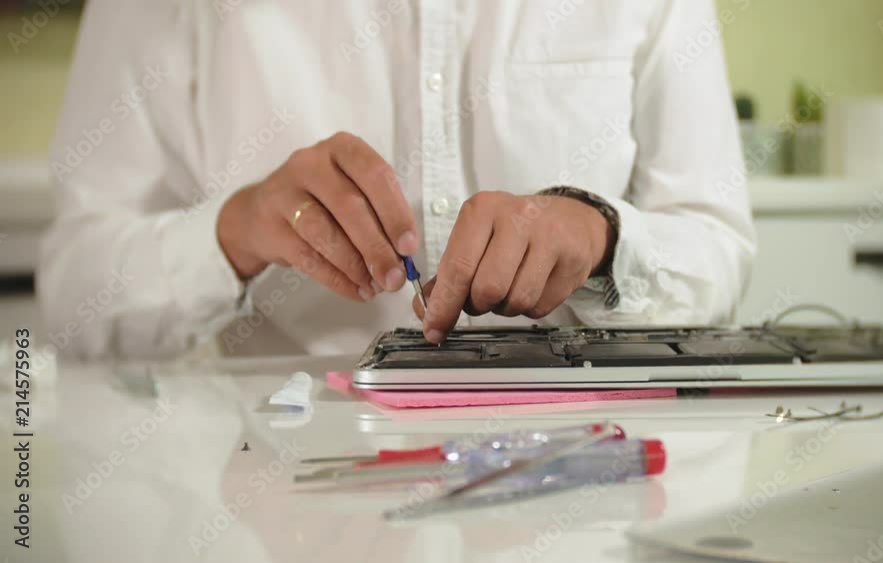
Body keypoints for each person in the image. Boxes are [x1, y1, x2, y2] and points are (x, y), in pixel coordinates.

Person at [39, 0, 755, 359]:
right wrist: (235, 231)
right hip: (267, 509)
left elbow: (718, 250)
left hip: (590, 489)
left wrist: (604, 236)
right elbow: (74, 294)